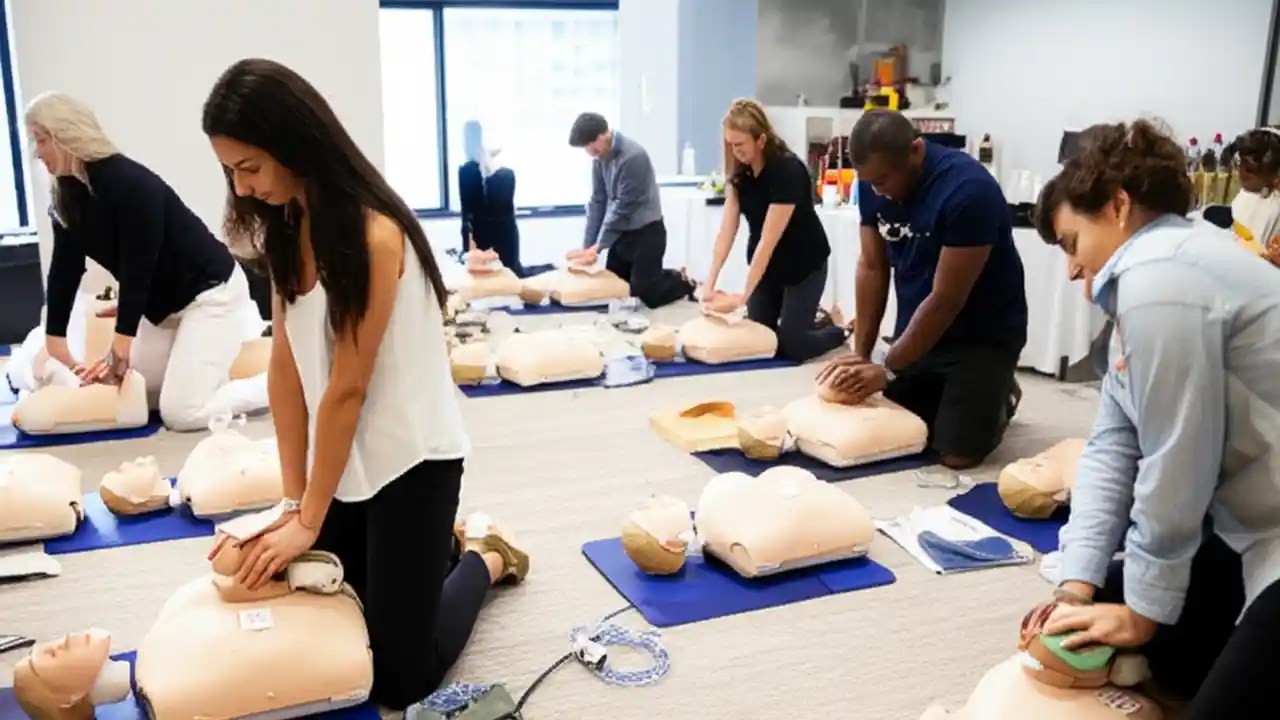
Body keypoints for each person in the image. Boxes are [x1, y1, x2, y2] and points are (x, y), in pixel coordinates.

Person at [201, 58, 530, 712]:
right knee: (313, 586)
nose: (240, 188)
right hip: (346, 460)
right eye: (229, 171)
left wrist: (309, 518)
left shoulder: (374, 234)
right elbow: (287, 369)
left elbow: (346, 389)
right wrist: (294, 505)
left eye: (250, 167)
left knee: (399, 680)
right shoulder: (283, 226)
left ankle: (485, 557)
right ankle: (438, 546)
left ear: (294, 144)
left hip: (412, 460)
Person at [1024, 119, 1280, 718]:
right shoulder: (1161, 272)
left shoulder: (1160, 281)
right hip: (1250, 521)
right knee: (1107, 603)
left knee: (1147, 618)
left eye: (1070, 244)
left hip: (1267, 528)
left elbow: (1176, 463)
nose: (1069, 270)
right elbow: (1113, 449)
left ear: (1117, 206)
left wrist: (1141, 615)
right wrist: (1076, 585)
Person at [24, 91, 266, 431]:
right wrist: (57, 344)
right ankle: (207, 375)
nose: (38, 153)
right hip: (164, 306)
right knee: (135, 390)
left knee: (181, 414)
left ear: (67, 135)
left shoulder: (130, 183)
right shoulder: (66, 199)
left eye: (41, 140)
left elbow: (140, 263)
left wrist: (121, 341)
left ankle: (274, 385)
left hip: (212, 296)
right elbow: (64, 270)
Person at [818, 109, 1027, 469]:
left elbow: (947, 299)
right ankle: (962, 397)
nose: (877, 190)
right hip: (920, 332)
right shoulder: (873, 185)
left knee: (956, 454)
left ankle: (1001, 394)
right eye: (869, 182)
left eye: (883, 179)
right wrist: (862, 354)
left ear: (915, 150)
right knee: (903, 428)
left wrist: (889, 368)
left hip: (980, 337)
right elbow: (872, 266)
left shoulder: (968, 191)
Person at [702, 98, 846, 362]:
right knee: (762, 340)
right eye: (730, 145)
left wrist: (743, 296)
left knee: (792, 347)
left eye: (740, 145)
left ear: (761, 140)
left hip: (803, 263)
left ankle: (838, 329)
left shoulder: (788, 170)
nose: (735, 152)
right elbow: (727, 230)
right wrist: (709, 284)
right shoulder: (739, 174)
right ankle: (810, 320)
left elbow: (768, 241)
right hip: (767, 266)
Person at [568, 111, 695, 308]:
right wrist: (588, 246)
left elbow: (623, 207)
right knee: (614, 287)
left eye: (591, 144)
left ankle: (683, 281)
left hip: (646, 232)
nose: (590, 151)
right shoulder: (599, 158)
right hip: (621, 234)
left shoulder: (634, 157)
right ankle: (658, 275)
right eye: (585, 147)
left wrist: (599, 247)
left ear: (604, 133)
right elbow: (598, 201)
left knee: (646, 293)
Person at [458, 120, 523, 276]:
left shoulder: (470, 172)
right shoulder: (469, 172)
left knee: (487, 174)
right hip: (485, 230)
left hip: (493, 231)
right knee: (472, 172)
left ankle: (485, 161)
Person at [1226, 126, 1280, 267]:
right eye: (1240, 165)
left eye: (1250, 169)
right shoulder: (1245, 196)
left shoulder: (1275, 206)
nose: (1242, 173)